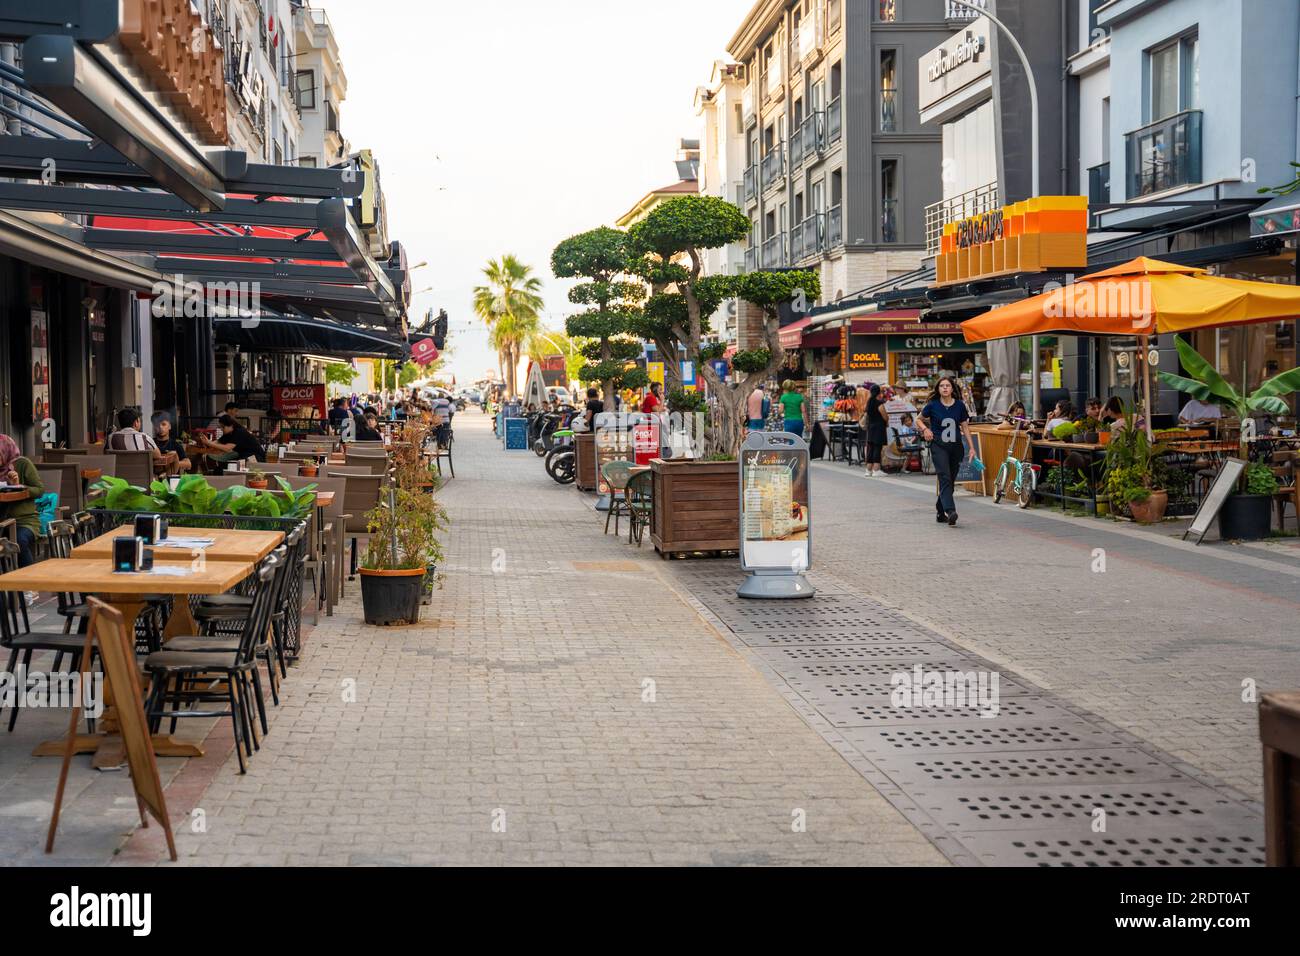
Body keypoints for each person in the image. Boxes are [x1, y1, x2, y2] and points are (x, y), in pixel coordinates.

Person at [918, 376, 975, 527]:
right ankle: (950, 511)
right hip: (939, 445)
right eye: (942, 386)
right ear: (938, 389)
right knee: (944, 477)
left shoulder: (960, 406)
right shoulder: (933, 405)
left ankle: (939, 511)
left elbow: (965, 427)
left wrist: (972, 448)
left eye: (947, 385)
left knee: (949, 481)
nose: (944, 388)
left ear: (952, 388)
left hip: (956, 447)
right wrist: (925, 429)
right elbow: (919, 419)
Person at [0, 435, 43, 567]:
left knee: (19, 540)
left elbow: (39, 490)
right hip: (2, 522)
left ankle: (28, 584)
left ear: (5, 450)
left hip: (25, 521)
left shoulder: (23, 464)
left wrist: (18, 487)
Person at [110, 408, 181, 475]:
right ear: (136, 423)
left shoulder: (110, 438)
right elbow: (158, 455)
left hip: (118, 482)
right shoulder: (144, 437)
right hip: (142, 480)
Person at [199, 414, 264, 468]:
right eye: (220, 427)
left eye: (223, 427)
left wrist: (209, 443)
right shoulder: (228, 433)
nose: (221, 429)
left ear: (231, 425)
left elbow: (227, 448)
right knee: (225, 467)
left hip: (255, 457)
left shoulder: (239, 432)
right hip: (244, 456)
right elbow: (216, 442)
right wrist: (206, 441)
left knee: (230, 467)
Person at [861, 384, 889, 477]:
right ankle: (876, 470)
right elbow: (885, 416)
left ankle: (868, 470)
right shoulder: (879, 403)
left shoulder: (869, 402)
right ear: (878, 392)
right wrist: (887, 420)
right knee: (877, 447)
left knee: (871, 448)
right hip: (878, 428)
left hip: (871, 428)